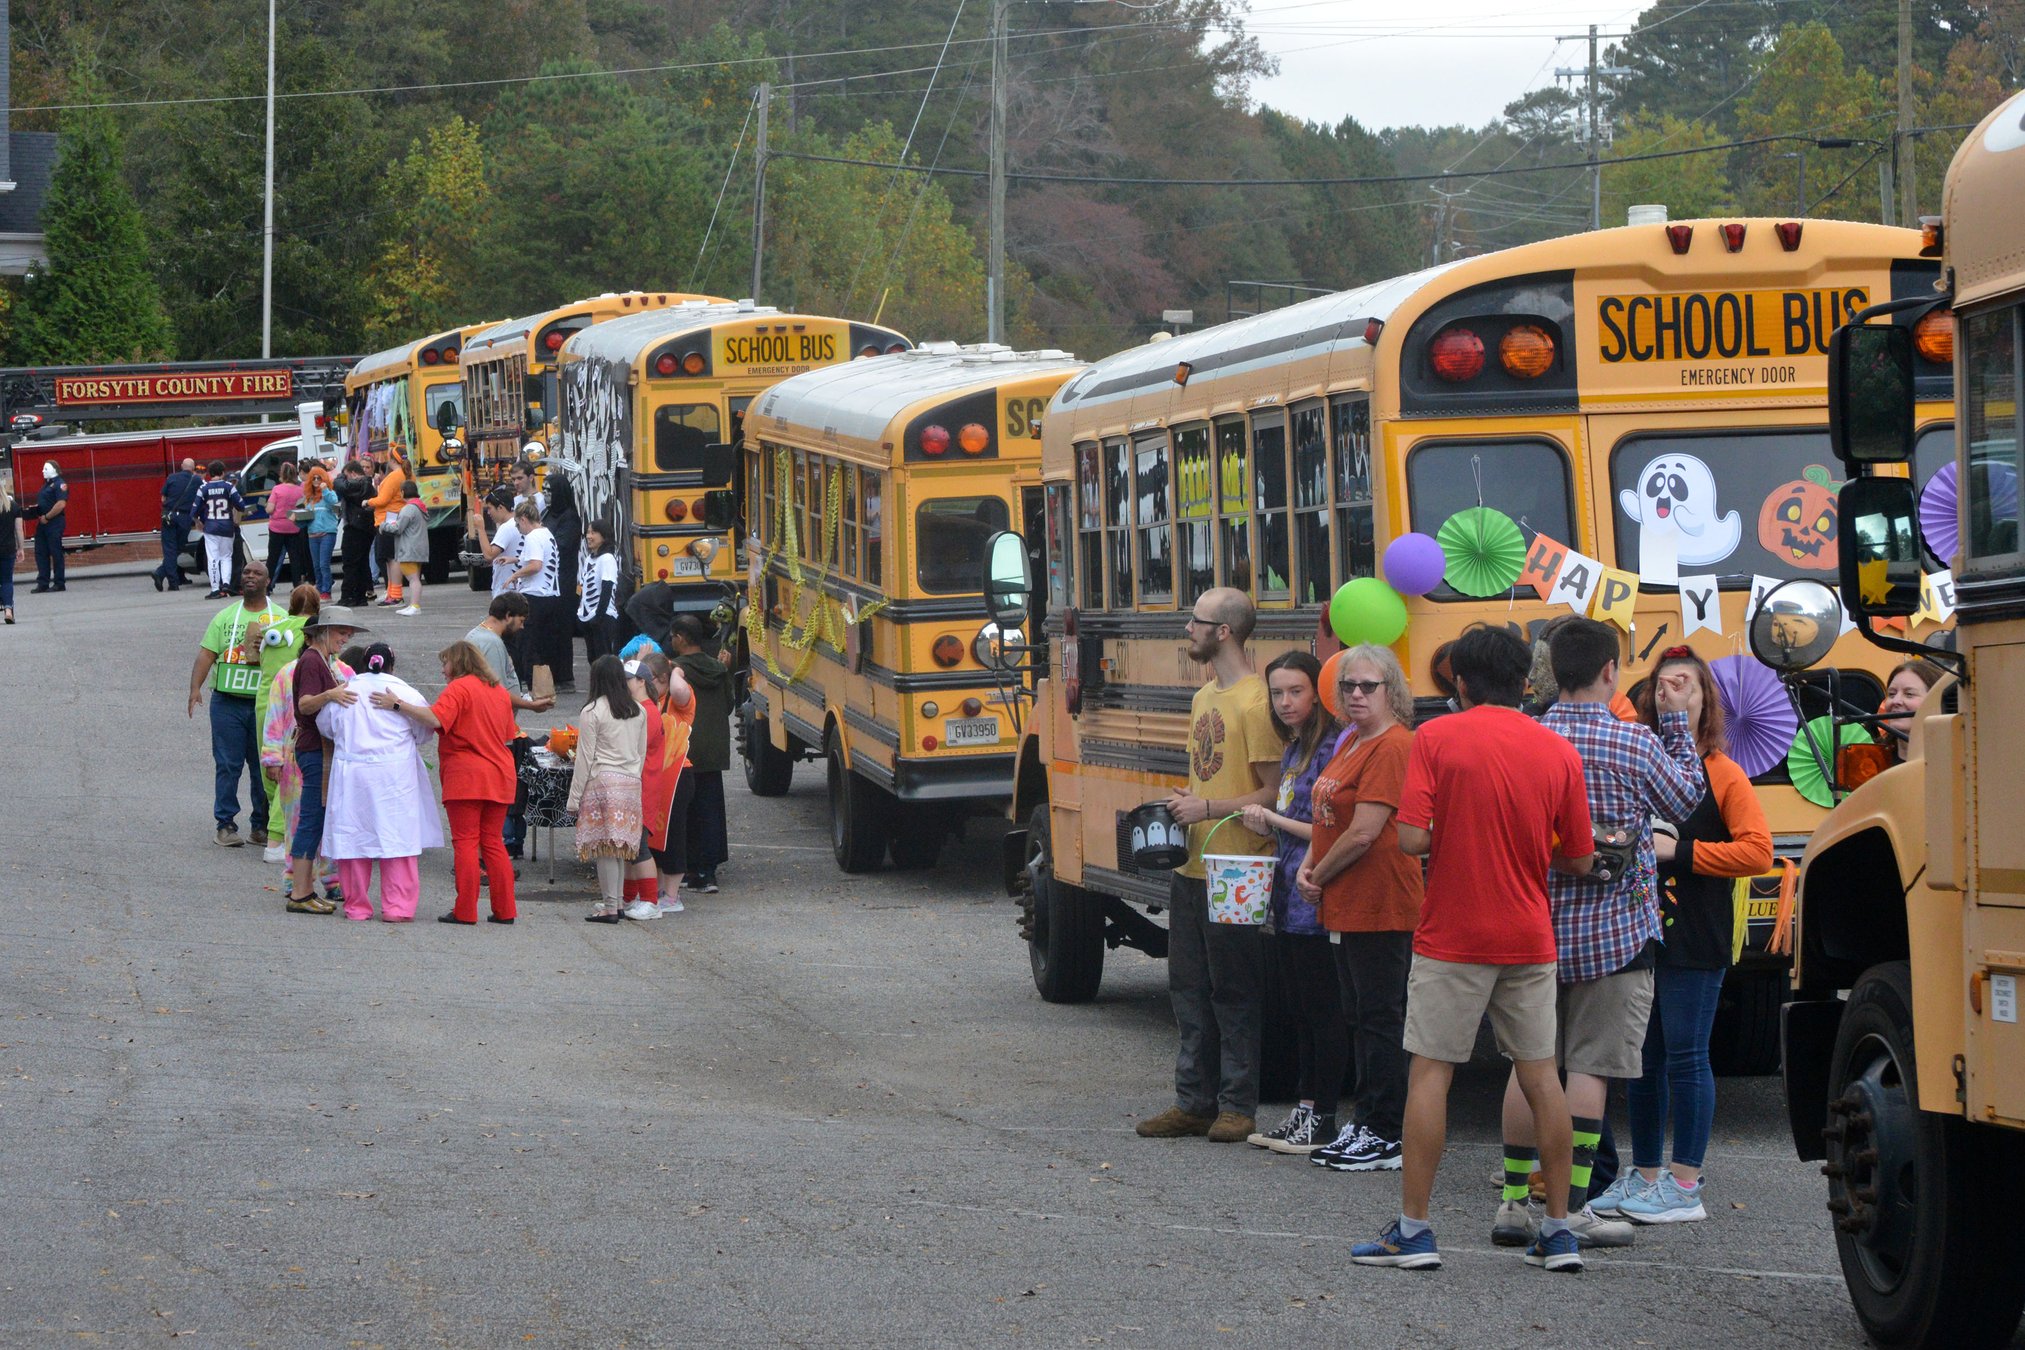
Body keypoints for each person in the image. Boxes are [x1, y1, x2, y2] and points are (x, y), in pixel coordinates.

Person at [1351, 624, 1595, 1274]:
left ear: (1457, 680)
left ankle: (1414, 1230)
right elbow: (1577, 856)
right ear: (1526, 682)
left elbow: (1407, 840)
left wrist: (1452, 834)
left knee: (1431, 1074)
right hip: (1527, 934)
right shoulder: (1555, 750)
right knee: (1542, 1078)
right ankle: (1558, 1228)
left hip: (1452, 934)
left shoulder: (1434, 738)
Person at [1495, 618, 1702, 1252]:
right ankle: (1576, 1204)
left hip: (1531, 921)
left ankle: (1512, 1200)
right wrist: (1676, 726)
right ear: (1611, 671)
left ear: (1552, 670)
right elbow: (1687, 798)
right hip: (1615, 929)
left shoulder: (1526, 736)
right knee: (1589, 1068)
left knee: (1528, 1064)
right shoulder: (1633, 743)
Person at [1598, 647, 1775, 1224]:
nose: (1672, 691)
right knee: (1642, 1059)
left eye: (1686, 684)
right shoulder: (1642, 759)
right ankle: (1646, 1175)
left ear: (1705, 702)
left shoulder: (1723, 771)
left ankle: (1685, 1182)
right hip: (1640, 932)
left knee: (1686, 1054)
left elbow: (1758, 851)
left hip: (1697, 934)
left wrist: (1684, 852)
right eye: (1663, 683)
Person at [1134, 587, 1280, 1145]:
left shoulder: (1255, 702)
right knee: (1187, 986)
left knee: (1234, 989)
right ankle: (1193, 1100)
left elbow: (1272, 792)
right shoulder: (1204, 698)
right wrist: (1187, 803)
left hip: (1238, 866)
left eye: (1195, 621)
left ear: (1222, 632)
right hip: (1192, 862)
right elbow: (1210, 777)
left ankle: (1237, 1104)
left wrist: (1209, 807)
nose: (1186, 629)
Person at [1299, 644, 1424, 1174]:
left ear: (1391, 690)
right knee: (1357, 1013)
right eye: (1348, 685)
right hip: (1344, 900)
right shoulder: (1351, 740)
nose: (1355, 694)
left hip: (1381, 900)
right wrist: (1310, 866)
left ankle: (1385, 1130)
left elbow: (1365, 832)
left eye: (1368, 686)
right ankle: (1367, 1119)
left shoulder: (1393, 745)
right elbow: (1326, 815)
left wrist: (1316, 877)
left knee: (1379, 1017)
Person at [1237, 652, 1344, 1155]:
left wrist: (1272, 820)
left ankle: (1324, 1115)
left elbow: (1328, 828)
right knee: (1299, 1010)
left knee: (1324, 1013)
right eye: (1277, 693)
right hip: (1288, 893)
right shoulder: (1295, 747)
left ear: (1318, 692)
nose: (1285, 703)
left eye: (1296, 691)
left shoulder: (1332, 747)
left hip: (1317, 893)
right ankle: (1304, 1111)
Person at [373, 640, 521, 926]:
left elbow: (434, 718)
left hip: (466, 775)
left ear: (459, 663)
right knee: (493, 842)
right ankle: (505, 910)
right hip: (500, 774)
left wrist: (398, 705)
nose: (443, 670)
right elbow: (508, 735)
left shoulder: (459, 688)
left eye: (445, 663)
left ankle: (465, 910)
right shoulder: (499, 692)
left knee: (465, 842)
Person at [316, 643, 442, 921]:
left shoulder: (346, 691)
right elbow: (424, 732)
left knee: (354, 839)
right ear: (392, 665)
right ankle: (398, 907)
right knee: (397, 841)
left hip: (353, 775)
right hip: (395, 777)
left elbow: (326, 727)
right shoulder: (406, 692)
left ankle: (356, 906)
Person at [272, 605, 366, 913]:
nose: (346, 637)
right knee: (311, 819)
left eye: (348, 632)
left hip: (318, 749)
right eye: (341, 631)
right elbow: (305, 704)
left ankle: (305, 890)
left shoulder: (322, 660)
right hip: (314, 749)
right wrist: (331, 695)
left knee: (315, 819)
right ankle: (300, 892)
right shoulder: (312, 660)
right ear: (322, 631)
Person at [187, 562, 282, 848]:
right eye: (246, 573)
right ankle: (225, 824)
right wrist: (195, 688)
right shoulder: (225, 616)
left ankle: (260, 825)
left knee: (261, 766)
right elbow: (207, 654)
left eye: (257, 574)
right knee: (227, 765)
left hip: (263, 703)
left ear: (268, 581)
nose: (250, 577)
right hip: (227, 701)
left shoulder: (280, 617)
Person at [568, 654, 648, 922]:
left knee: (603, 848)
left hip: (602, 781)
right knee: (621, 847)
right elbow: (641, 752)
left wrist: (574, 798)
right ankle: (619, 903)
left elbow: (584, 759)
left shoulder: (592, 711)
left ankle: (610, 905)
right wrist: (632, 777)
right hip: (630, 784)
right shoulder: (639, 710)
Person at [250, 583, 320, 857]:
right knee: (291, 773)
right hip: (293, 708)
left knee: (270, 768)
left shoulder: (272, 631)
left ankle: (276, 827)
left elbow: (253, 658)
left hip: (264, 703)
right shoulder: (313, 634)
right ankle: (279, 838)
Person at [667, 614, 732, 892]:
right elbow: (729, 705)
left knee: (684, 813)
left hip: (685, 750)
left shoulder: (676, 670)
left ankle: (686, 868)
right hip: (714, 750)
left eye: (672, 637)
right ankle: (709, 871)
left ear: (680, 638)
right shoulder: (718, 668)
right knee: (710, 810)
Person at [630, 651, 695, 914]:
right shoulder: (649, 701)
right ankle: (655, 889)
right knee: (654, 836)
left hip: (678, 776)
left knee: (674, 836)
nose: (646, 685)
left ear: (663, 679)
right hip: (655, 776)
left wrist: (676, 672)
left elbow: (679, 689)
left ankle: (672, 895)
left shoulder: (679, 699)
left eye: (651, 680)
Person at [510, 500, 571, 692]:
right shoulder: (547, 533)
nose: (519, 529)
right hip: (550, 595)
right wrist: (515, 560)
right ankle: (546, 683)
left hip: (535, 595)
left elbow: (536, 565)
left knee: (527, 643)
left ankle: (530, 685)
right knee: (544, 642)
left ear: (523, 519)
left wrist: (515, 574)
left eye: (518, 525)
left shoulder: (532, 537)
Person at [192, 460, 248, 598]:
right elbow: (241, 505)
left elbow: (194, 510)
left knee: (213, 558)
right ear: (223, 473)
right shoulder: (229, 487)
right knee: (226, 557)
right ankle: (227, 585)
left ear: (209, 473)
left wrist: (198, 521)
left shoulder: (203, 489)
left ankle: (215, 589)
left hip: (210, 527)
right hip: (227, 527)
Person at [368, 448, 409, 607]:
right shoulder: (403, 475)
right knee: (389, 558)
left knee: (391, 559)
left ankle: (396, 595)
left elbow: (383, 499)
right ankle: (392, 593)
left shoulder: (394, 476)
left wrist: (369, 502)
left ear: (392, 460)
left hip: (387, 520)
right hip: (392, 519)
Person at [1877, 659, 1940, 762]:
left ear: (1935, 700)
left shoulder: (1953, 760)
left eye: (1909, 694)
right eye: (1892, 694)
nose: (1896, 701)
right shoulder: (1874, 760)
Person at [577, 518, 621, 662]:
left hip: (602, 617)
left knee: (604, 660)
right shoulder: (590, 558)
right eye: (588, 532)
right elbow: (584, 588)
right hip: (588, 617)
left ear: (604, 536)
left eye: (593, 532)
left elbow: (607, 589)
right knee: (593, 658)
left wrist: (599, 616)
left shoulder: (607, 559)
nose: (589, 536)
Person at [264, 462, 311, 591]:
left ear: (282, 474)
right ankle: (296, 585)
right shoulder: (300, 490)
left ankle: (267, 586)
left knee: (273, 558)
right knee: (295, 558)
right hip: (294, 526)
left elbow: (269, 509)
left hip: (277, 527)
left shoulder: (277, 489)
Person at [156, 458, 201, 592]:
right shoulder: (197, 480)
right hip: (185, 519)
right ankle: (163, 575)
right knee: (178, 549)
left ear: (182, 466)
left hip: (169, 517)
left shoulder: (172, 478)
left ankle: (168, 579)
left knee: (170, 549)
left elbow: (163, 498)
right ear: (193, 468)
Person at [336, 460, 376, 606]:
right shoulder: (365, 485)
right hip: (364, 527)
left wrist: (340, 477)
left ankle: (348, 596)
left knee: (350, 563)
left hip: (355, 527)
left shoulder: (360, 484)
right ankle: (360, 596)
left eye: (346, 476)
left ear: (353, 474)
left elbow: (341, 486)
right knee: (361, 563)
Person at [24, 460, 68, 592]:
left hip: (54, 522)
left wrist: (47, 516)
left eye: (45, 469)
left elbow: (61, 504)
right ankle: (43, 582)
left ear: (53, 470)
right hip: (43, 522)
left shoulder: (60, 484)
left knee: (56, 552)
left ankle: (59, 583)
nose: (43, 471)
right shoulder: (46, 485)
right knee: (40, 552)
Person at [392, 480, 429, 616]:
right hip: (419, 547)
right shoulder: (420, 507)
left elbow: (398, 527)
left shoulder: (408, 508)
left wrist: (384, 526)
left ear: (403, 492)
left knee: (413, 579)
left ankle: (415, 606)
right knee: (415, 577)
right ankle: (413, 604)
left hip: (409, 548)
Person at [305, 467, 341, 598]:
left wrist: (325, 489)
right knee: (316, 566)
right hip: (312, 534)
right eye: (313, 478)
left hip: (327, 533)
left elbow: (334, 500)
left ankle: (326, 591)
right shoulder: (309, 498)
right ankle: (319, 589)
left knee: (323, 564)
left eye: (318, 477)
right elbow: (306, 517)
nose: (316, 480)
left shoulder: (329, 493)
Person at [0, 472, 20, 624]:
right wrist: (21, 548)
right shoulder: (12, 506)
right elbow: (19, 529)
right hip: (8, 548)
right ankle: (8, 610)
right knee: (7, 580)